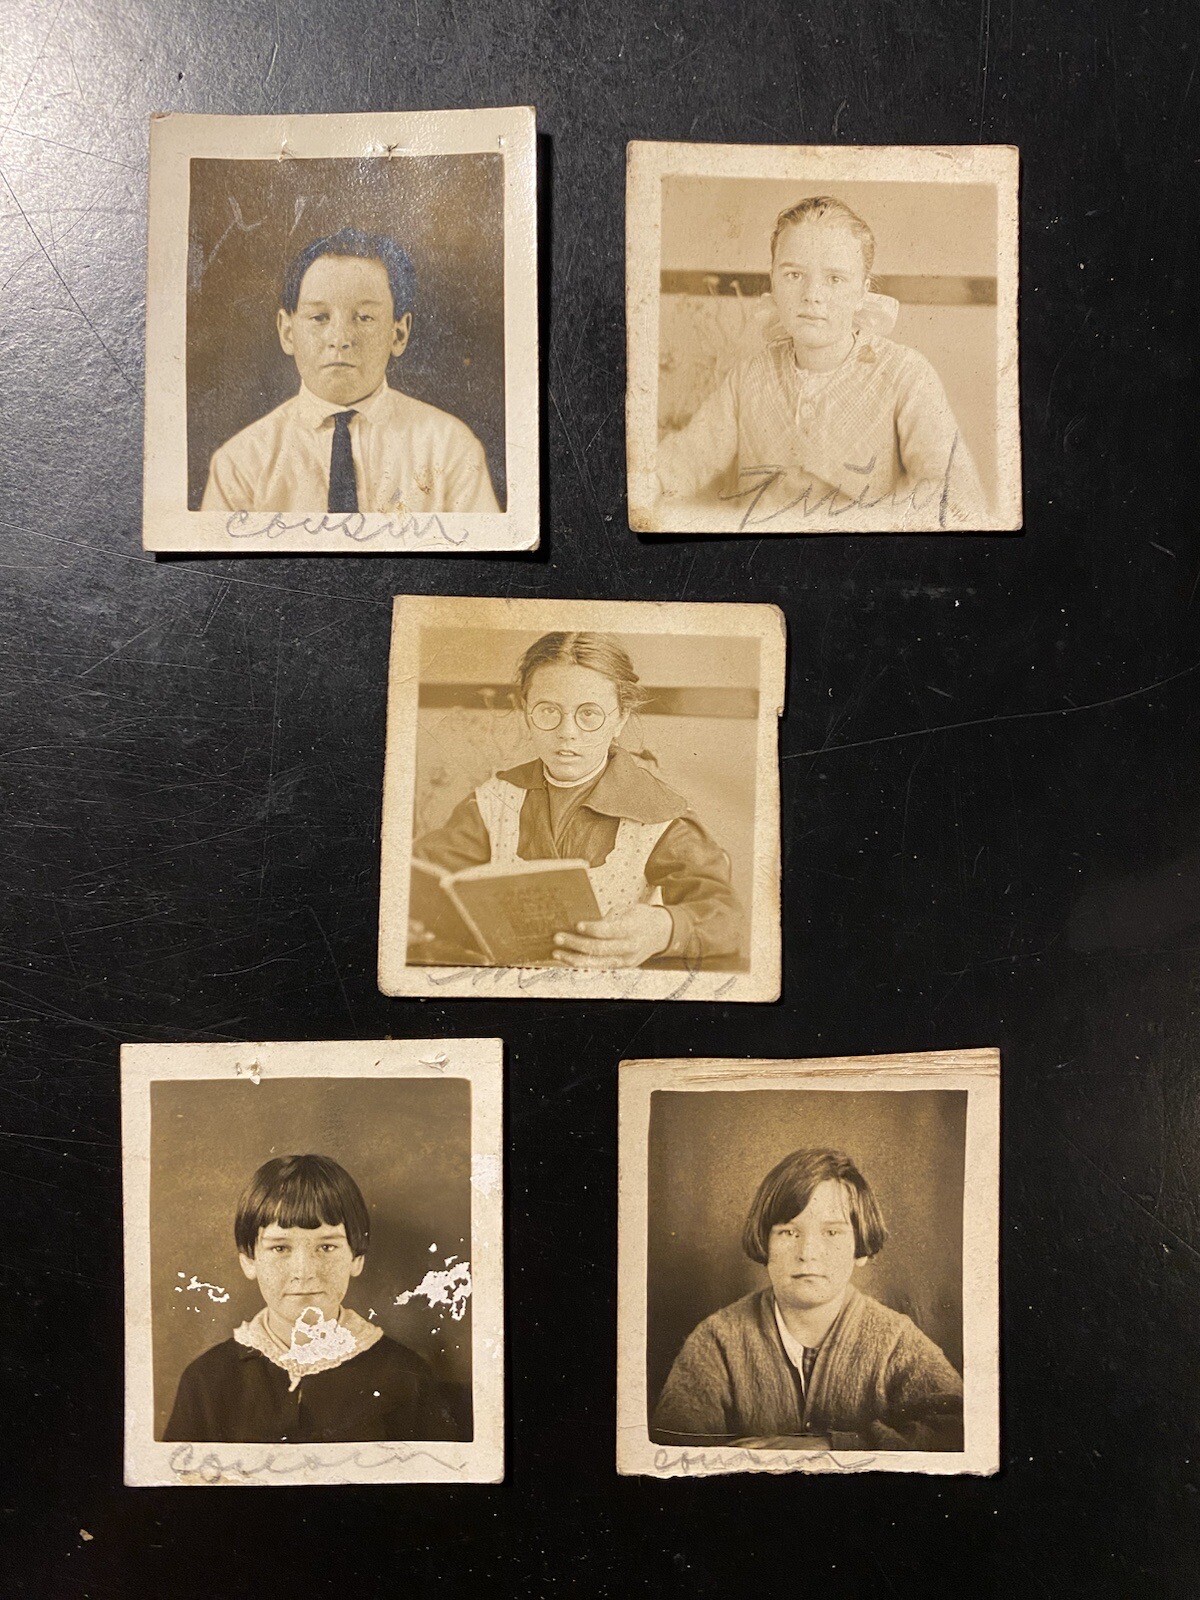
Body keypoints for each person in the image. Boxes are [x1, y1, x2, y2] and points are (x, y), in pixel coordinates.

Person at [411, 631, 744, 969]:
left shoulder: (658, 815)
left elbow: (724, 915)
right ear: (526, 712)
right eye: (548, 711)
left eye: (589, 714)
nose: (566, 731)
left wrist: (663, 930)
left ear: (620, 718)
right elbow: (422, 875)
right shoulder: (494, 800)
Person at [656, 196, 987, 528]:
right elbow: (686, 459)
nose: (812, 294)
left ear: (862, 290)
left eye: (834, 279)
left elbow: (955, 496)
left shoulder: (905, 375)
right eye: (794, 275)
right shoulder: (750, 376)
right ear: (773, 279)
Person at [651, 1147, 964, 1450]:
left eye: (832, 1233)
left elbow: (957, 1431)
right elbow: (676, 1449)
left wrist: (833, 1446)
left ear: (859, 1247)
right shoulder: (717, 1341)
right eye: (788, 1232)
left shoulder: (895, 1340)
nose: (808, 1253)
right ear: (765, 1242)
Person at [164, 1154, 461, 1444]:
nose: (304, 1272)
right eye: (280, 1248)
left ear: (356, 1258)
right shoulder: (206, 1381)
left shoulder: (404, 1376)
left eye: (327, 1247)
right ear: (249, 1260)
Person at [201, 227, 500, 515]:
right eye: (319, 317)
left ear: (398, 334)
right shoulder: (240, 464)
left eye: (365, 317)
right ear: (288, 332)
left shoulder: (450, 448)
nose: (340, 339)